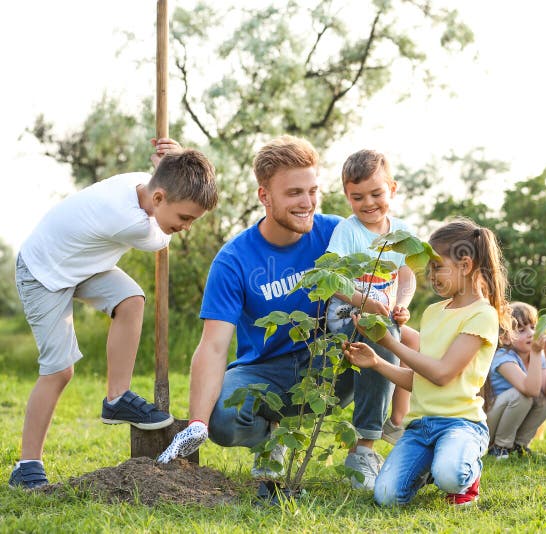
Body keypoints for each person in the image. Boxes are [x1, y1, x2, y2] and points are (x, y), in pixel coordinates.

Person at [156, 136, 401, 489]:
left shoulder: (338, 233)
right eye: (294, 193)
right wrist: (197, 423)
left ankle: (364, 449)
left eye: (313, 191)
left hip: (332, 365)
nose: (307, 203)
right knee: (223, 418)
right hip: (265, 371)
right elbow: (212, 346)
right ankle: (271, 440)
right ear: (264, 196)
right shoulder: (234, 260)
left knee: (376, 321)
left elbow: (390, 265)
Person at [9, 139, 218, 489]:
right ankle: (27, 465)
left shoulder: (148, 184)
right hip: (43, 271)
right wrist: (169, 165)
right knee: (59, 370)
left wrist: (176, 161)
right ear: (158, 199)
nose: (186, 227)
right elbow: (159, 239)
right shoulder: (130, 221)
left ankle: (117, 397)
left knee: (131, 299)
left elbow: (166, 179)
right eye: (184, 218)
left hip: (82, 262)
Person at [344, 218, 510, 507]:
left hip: (461, 424)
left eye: (437, 267)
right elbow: (419, 377)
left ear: (465, 265)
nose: (431, 276)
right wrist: (376, 362)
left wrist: (390, 344)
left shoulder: (482, 315)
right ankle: (434, 462)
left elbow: (443, 374)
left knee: (450, 475)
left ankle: (463, 476)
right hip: (421, 427)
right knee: (387, 497)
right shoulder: (433, 312)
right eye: (429, 269)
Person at [324, 149, 416, 487]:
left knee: (415, 341)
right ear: (347, 196)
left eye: (376, 193)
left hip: (382, 314)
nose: (368, 203)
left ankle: (397, 419)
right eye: (357, 197)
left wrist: (402, 303)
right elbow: (333, 280)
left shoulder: (402, 232)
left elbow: (407, 277)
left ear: (392, 188)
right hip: (345, 313)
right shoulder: (348, 231)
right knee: (381, 330)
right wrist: (366, 301)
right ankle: (363, 448)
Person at [486, 302, 546, 460]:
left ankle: (519, 445)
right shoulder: (502, 358)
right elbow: (531, 390)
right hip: (489, 424)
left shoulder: (536, 356)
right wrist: (535, 353)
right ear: (505, 338)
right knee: (521, 395)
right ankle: (499, 447)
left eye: (533, 327)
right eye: (521, 330)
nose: (530, 333)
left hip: (510, 418)